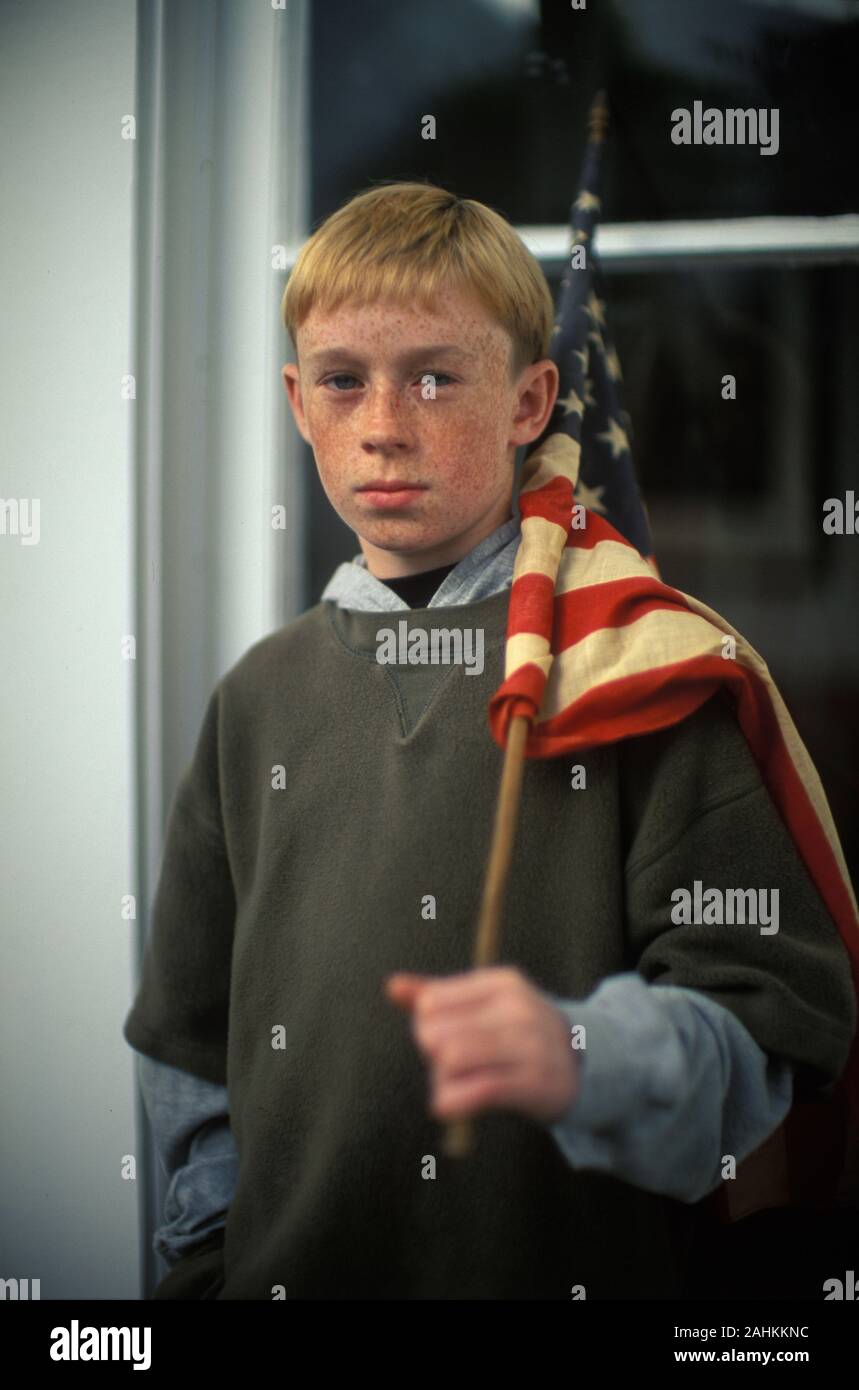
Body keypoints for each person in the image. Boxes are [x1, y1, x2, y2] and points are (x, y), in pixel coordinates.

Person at [123, 182, 856, 1301]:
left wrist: (582, 1053)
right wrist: (211, 1265)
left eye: (433, 376)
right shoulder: (254, 702)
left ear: (529, 402)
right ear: (297, 400)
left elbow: (761, 1030)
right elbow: (189, 1054)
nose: (381, 422)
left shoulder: (637, 669)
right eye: (341, 380)